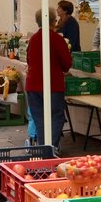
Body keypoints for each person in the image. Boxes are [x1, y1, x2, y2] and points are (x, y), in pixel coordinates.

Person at [25, 8, 73, 152]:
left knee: (39, 119)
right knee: (56, 116)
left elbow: (28, 60)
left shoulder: (33, 39)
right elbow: (67, 64)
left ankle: (43, 147)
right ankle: (50, 148)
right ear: (54, 21)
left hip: (33, 84)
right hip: (53, 84)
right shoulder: (57, 39)